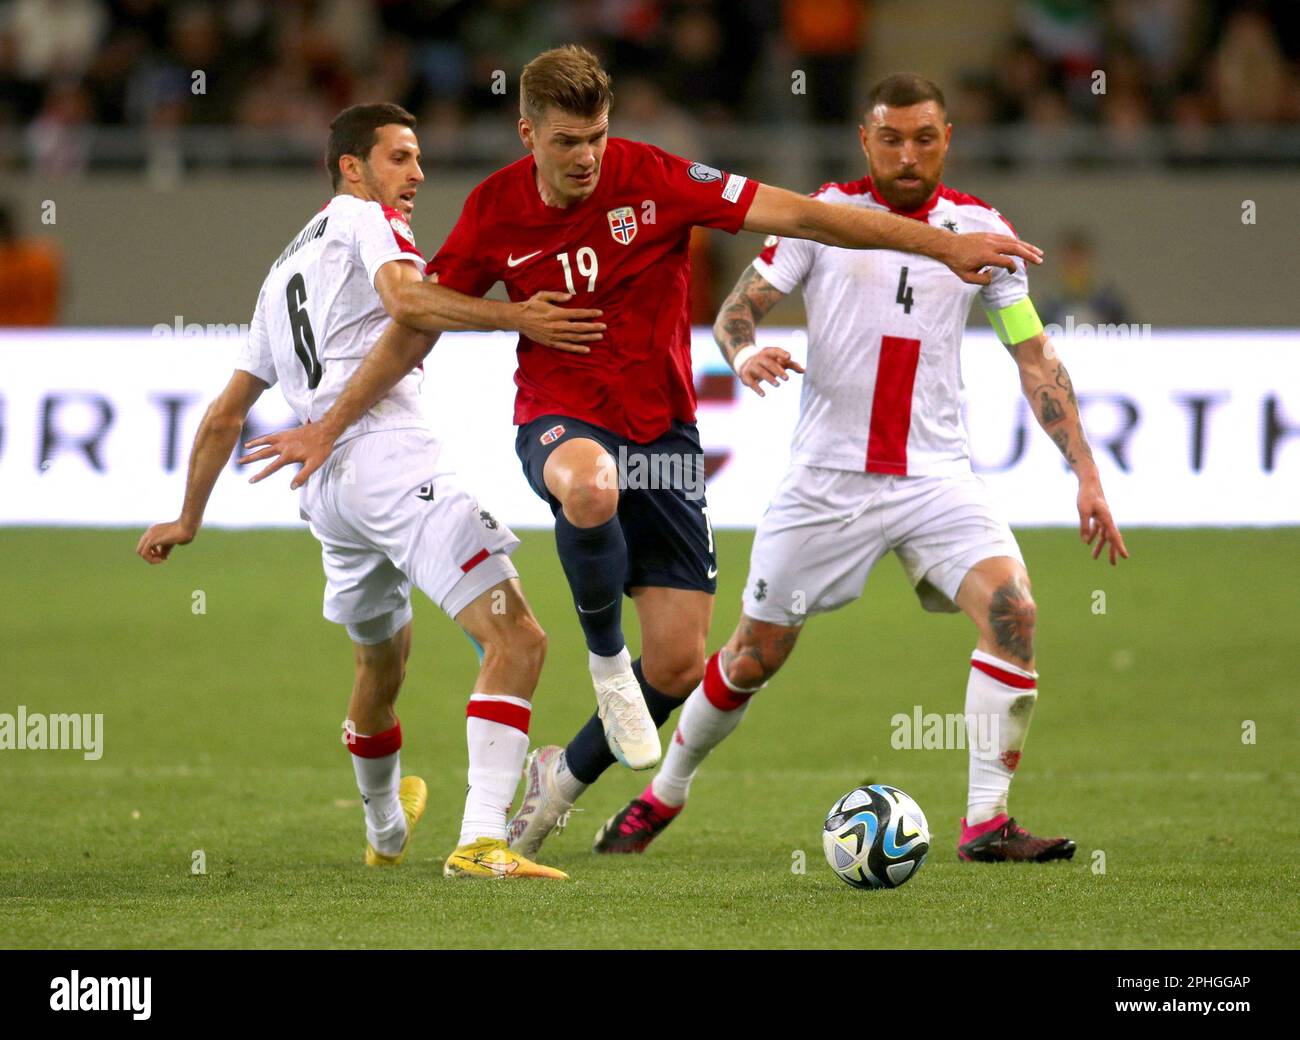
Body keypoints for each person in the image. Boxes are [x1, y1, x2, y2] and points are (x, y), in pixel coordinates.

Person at [238, 49, 1043, 859]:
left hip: (664, 437)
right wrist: (335, 420)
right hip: (560, 418)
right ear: (528, 134)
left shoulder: (656, 177)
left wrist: (941, 247)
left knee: (682, 664)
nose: (586, 158)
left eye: (595, 137)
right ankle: (603, 661)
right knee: (590, 490)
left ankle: (556, 779)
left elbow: (801, 215)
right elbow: (417, 322)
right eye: (566, 143)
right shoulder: (495, 208)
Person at [591, 73, 1127, 863]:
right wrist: (742, 354)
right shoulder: (823, 219)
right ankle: (663, 793)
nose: (907, 155)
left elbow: (1034, 356)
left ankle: (985, 822)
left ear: (948, 139)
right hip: (827, 481)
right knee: (750, 657)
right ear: (864, 142)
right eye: (890, 139)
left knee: (1015, 614)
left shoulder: (983, 234)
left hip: (936, 477)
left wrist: (1085, 470)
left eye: (924, 138)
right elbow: (736, 310)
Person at [138, 102, 604, 879]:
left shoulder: (279, 273)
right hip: (389, 459)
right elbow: (409, 303)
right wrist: (516, 315)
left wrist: (188, 519)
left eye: (418, 159)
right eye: (400, 157)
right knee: (517, 638)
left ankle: (386, 829)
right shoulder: (365, 219)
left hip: (326, 489)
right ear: (352, 168)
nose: (417, 175)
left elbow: (224, 416)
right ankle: (482, 841)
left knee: (378, 669)